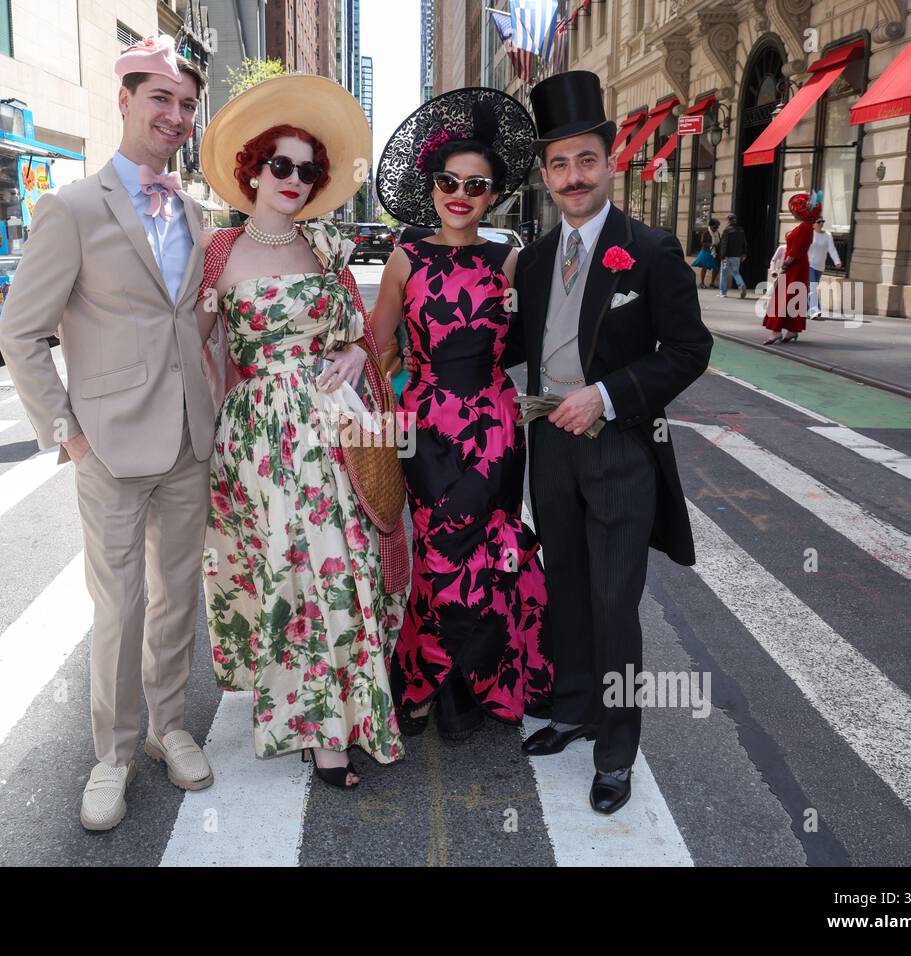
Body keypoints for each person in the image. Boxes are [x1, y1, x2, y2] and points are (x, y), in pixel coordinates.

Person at [0, 35, 216, 831]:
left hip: (191, 441)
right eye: (160, 97)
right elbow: (19, 332)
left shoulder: (194, 214)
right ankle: (113, 755)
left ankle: (170, 728)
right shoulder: (73, 207)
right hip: (109, 446)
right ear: (122, 99)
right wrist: (67, 434)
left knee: (174, 601)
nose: (175, 114)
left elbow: (195, 325)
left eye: (187, 104)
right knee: (118, 607)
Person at [196, 74, 407, 791]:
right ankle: (312, 725)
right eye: (279, 164)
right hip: (258, 438)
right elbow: (193, 345)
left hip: (335, 427)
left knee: (343, 567)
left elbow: (365, 338)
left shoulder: (327, 247)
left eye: (307, 170)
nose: (292, 179)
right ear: (252, 168)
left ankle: (344, 722)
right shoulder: (218, 253)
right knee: (288, 571)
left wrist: (355, 352)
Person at [514, 71, 712, 815]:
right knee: (564, 583)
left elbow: (689, 350)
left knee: (614, 600)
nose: (573, 177)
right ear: (546, 174)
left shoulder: (650, 250)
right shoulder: (533, 262)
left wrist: (608, 393)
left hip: (622, 451)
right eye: (559, 164)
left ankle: (618, 747)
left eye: (585, 160)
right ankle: (574, 710)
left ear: (609, 160)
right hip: (551, 452)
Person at [370, 87, 551, 743]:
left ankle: (467, 690)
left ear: (494, 195)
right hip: (424, 428)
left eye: (476, 186)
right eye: (449, 180)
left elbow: (541, 341)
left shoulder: (511, 262)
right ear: (432, 182)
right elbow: (374, 348)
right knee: (441, 558)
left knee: (490, 555)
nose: (460, 194)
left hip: (497, 426)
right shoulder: (403, 258)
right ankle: (429, 681)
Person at [763, 191, 822, 344]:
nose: (793, 214)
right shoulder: (806, 226)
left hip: (795, 267)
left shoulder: (804, 227)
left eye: (794, 211)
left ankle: (776, 331)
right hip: (799, 266)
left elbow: (796, 251)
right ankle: (792, 330)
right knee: (793, 298)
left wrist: (784, 265)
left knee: (783, 298)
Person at [807, 216, 842, 318]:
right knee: (813, 287)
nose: (821, 223)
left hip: (820, 266)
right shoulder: (810, 234)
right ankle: (814, 310)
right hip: (809, 264)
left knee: (811, 288)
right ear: (813, 224)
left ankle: (804, 308)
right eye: (819, 221)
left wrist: (837, 261)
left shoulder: (827, 235)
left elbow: (832, 249)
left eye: (823, 221)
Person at [717, 213, 747, 298]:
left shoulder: (727, 230)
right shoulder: (741, 230)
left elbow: (724, 244)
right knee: (736, 272)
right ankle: (741, 284)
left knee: (724, 273)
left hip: (726, 256)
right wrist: (744, 253)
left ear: (729, 220)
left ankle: (723, 293)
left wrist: (722, 256)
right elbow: (744, 243)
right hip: (736, 256)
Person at [691, 218, 720, 288]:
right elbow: (702, 242)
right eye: (715, 226)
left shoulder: (717, 233)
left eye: (717, 227)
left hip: (714, 252)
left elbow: (719, 241)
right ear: (711, 225)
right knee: (705, 267)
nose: (716, 228)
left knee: (716, 267)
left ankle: (712, 283)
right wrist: (711, 245)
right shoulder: (706, 232)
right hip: (706, 251)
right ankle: (702, 283)